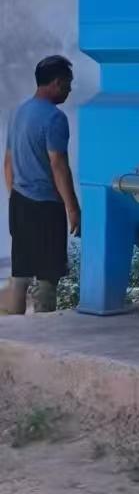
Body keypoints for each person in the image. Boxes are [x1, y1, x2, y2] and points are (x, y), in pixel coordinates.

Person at [2, 55, 80, 314]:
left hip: (19, 202)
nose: (70, 89)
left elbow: (8, 163)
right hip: (46, 206)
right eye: (68, 83)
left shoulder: (18, 112)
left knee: (20, 274)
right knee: (48, 276)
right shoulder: (55, 118)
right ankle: (46, 327)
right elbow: (58, 165)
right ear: (56, 82)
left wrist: (14, 197)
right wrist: (72, 209)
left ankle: (14, 329)